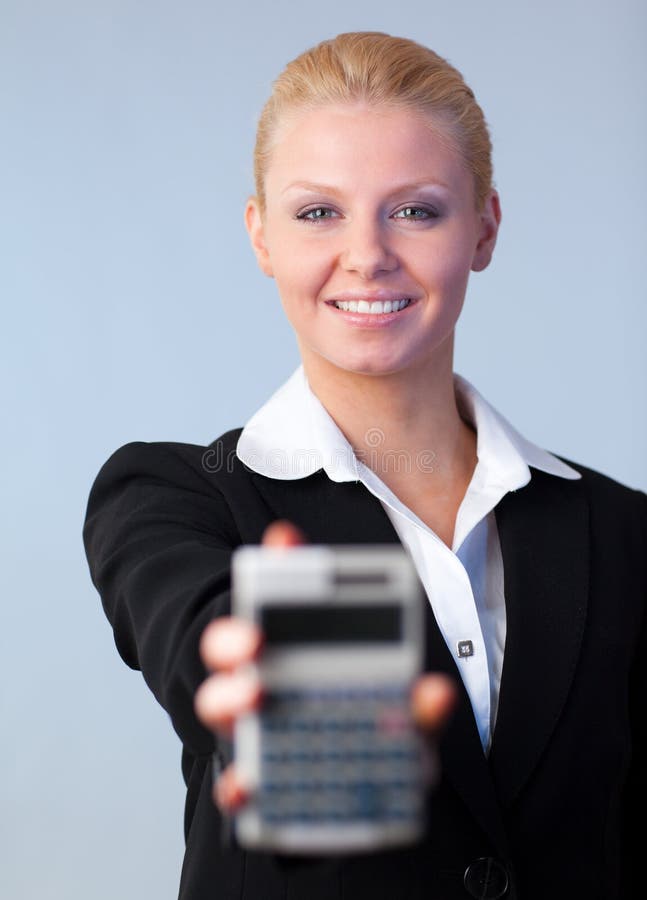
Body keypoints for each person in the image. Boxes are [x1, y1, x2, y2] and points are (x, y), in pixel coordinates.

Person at [83, 31, 646, 900]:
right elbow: (203, 643)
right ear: (261, 235)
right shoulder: (172, 498)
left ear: (484, 228)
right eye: (317, 213)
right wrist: (261, 685)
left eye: (415, 209)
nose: (368, 253)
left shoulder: (620, 531)